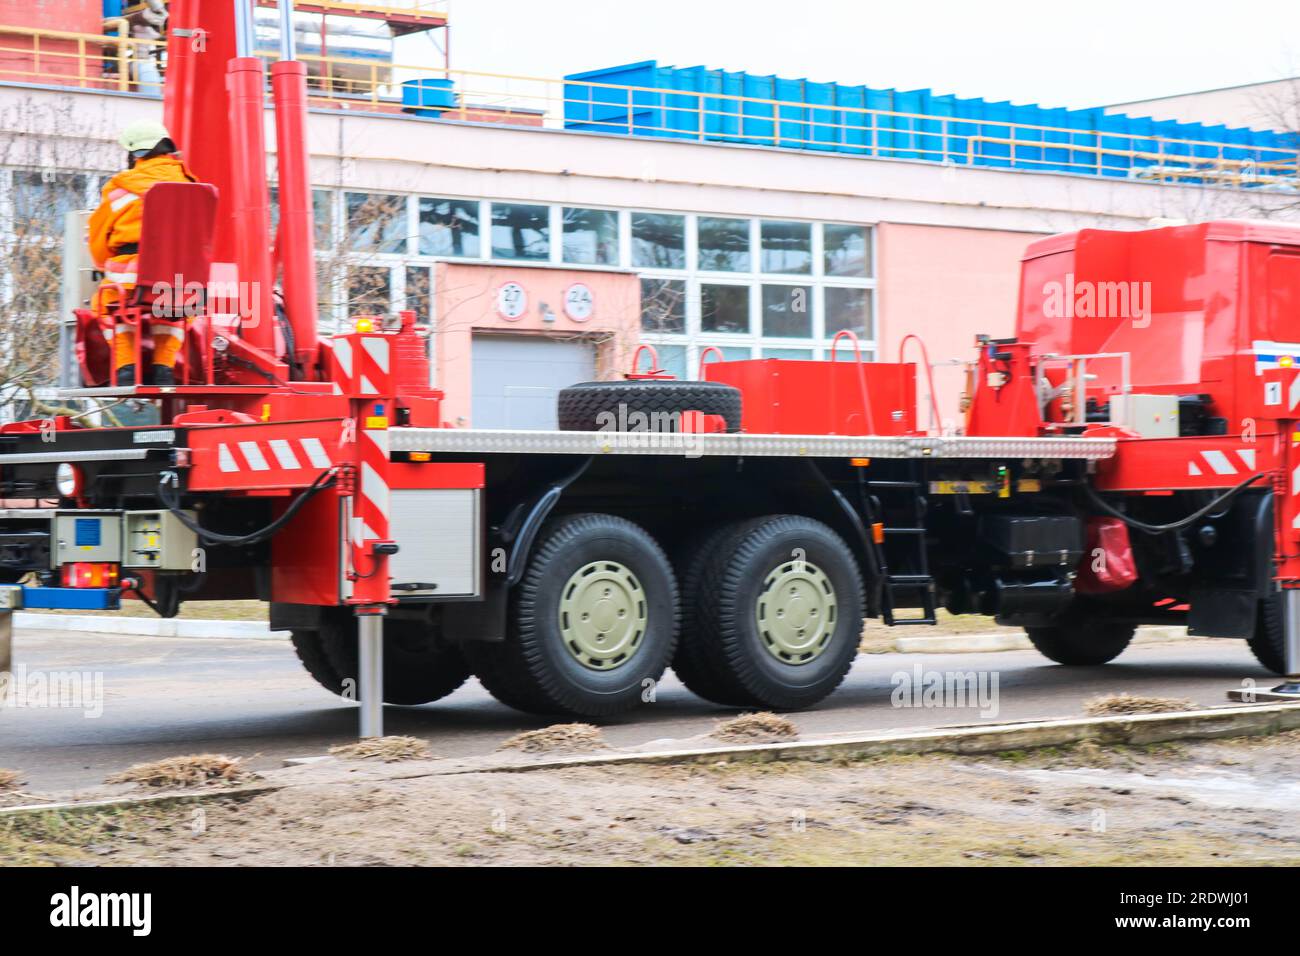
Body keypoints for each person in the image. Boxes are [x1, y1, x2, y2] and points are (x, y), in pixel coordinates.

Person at [89, 119, 196, 386]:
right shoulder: (193, 186)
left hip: (130, 276)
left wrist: (104, 263)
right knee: (176, 309)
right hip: (180, 281)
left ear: (135, 154)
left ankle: (126, 367)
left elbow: (99, 241)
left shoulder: (120, 187)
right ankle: (163, 367)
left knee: (107, 304)